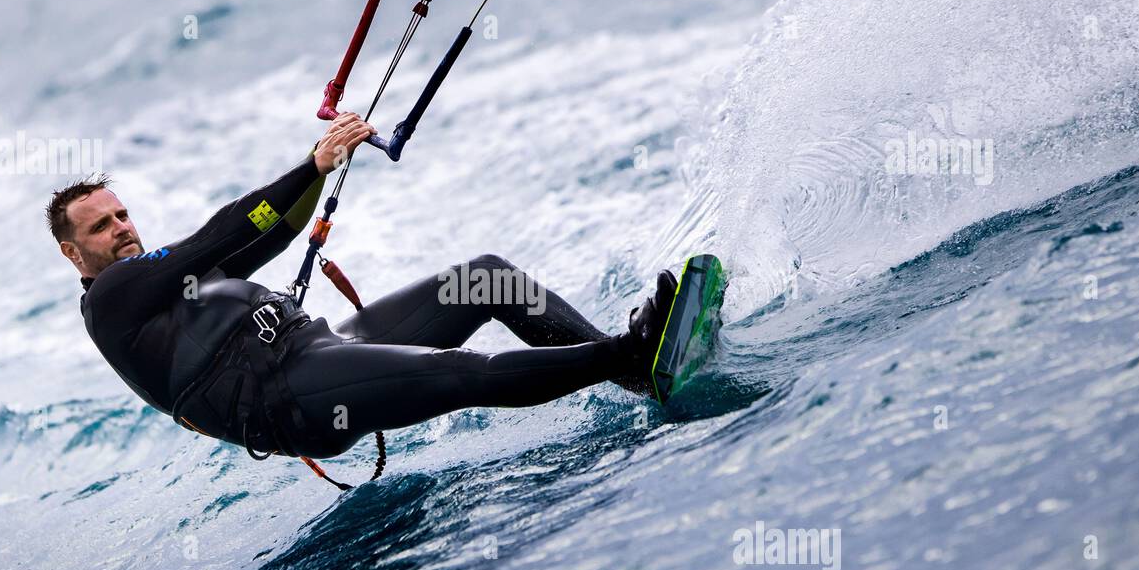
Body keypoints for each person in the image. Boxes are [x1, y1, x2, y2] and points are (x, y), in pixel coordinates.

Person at [47, 112, 678, 466]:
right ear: (73, 253)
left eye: (122, 214)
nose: (121, 228)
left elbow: (269, 234)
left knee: (483, 278)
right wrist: (308, 166)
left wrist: (320, 173)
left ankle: (634, 375)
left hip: (313, 346)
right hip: (288, 397)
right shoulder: (111, 299)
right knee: (459, 372)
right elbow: (218, 236)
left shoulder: (159, 280)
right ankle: (628, 353)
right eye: (101, 226)